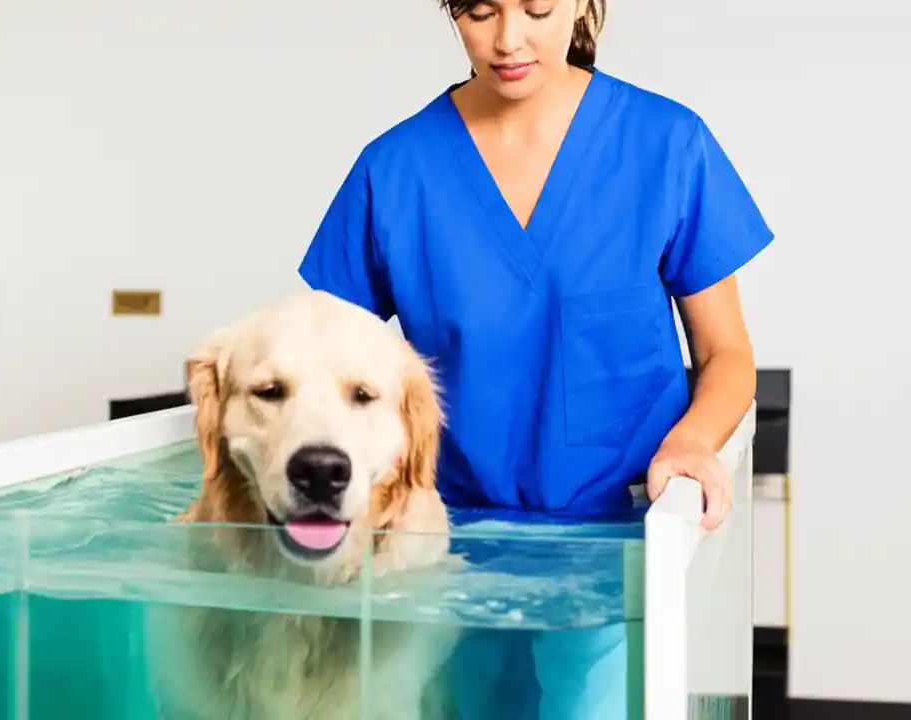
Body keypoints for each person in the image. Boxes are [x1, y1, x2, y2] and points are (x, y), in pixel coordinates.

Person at [298, 1, 771, 715]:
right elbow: (324, 362)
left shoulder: (665, 144)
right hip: (449, 541)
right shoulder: (396, 169)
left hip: (625, 539)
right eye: (480, 12)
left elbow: (726, 352)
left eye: (538, 9)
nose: (508, 40)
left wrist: (693, 444)